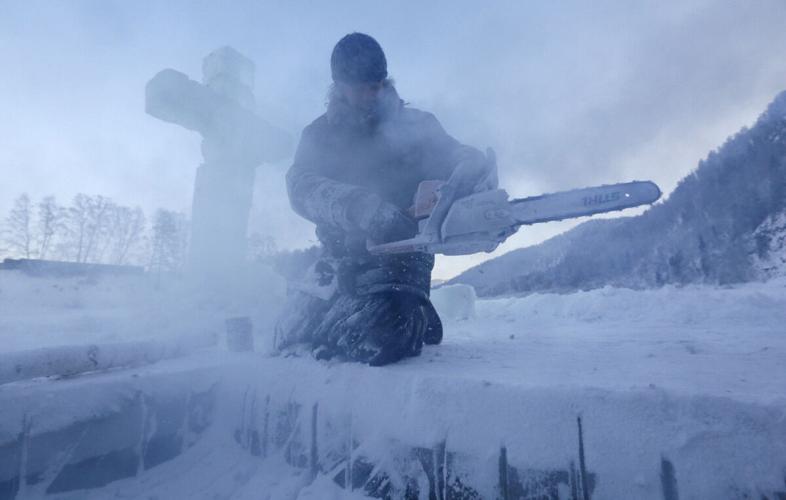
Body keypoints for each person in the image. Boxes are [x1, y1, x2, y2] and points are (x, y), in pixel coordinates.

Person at [275, 33, 496, 366]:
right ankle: (395, 312)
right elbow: (299, 186)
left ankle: (408, 312)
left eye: (378, 83)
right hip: (340, 262)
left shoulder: (418, 126)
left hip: (403, 260)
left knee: (382, 334)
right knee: (288, 329)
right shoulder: (319, 135)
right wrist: (364, 209)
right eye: (363, 86)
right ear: (340, 86)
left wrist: (472, 163)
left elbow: (454, 154)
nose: (373, 93)